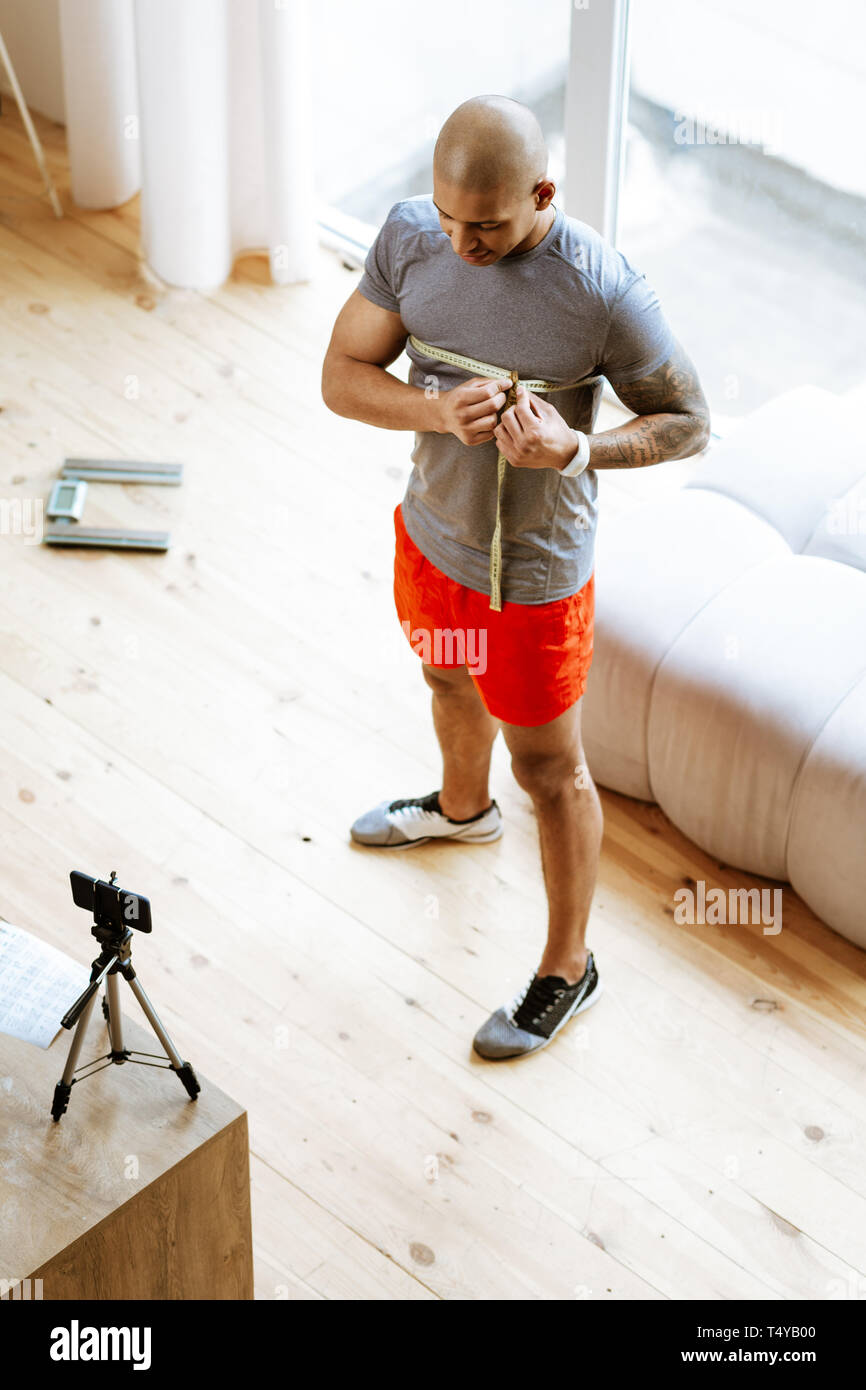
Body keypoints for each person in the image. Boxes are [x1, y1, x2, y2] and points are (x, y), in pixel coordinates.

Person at [321, 95, 710, 1061]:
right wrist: (435, 411)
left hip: (534, 584)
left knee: (549, 768)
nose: (464, 244)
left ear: (543, 193)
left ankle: (568, 968)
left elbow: (690, 421)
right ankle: (462, 812)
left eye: (487, 225)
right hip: (432, 541)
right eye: (451, 220)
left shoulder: (603, 289)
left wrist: (576, 449)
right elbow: (339, 375)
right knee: (444, 678)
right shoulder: (413, 238)